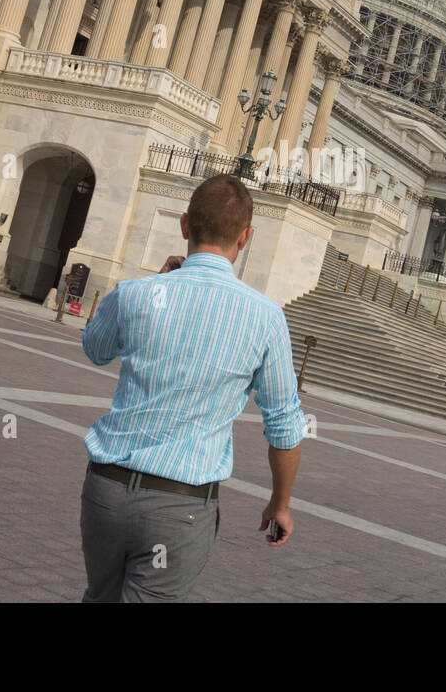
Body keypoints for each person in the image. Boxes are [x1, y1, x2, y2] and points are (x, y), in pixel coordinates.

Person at [80, 174, 305, 602]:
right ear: (246, 237)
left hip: (106, 489)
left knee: (100, 596)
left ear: (184, 225)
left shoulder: (136, 293)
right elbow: (284, 425)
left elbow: (95, 348)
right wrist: (280, 502)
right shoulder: (264, 317)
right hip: (180, 503)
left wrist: (152, 284)